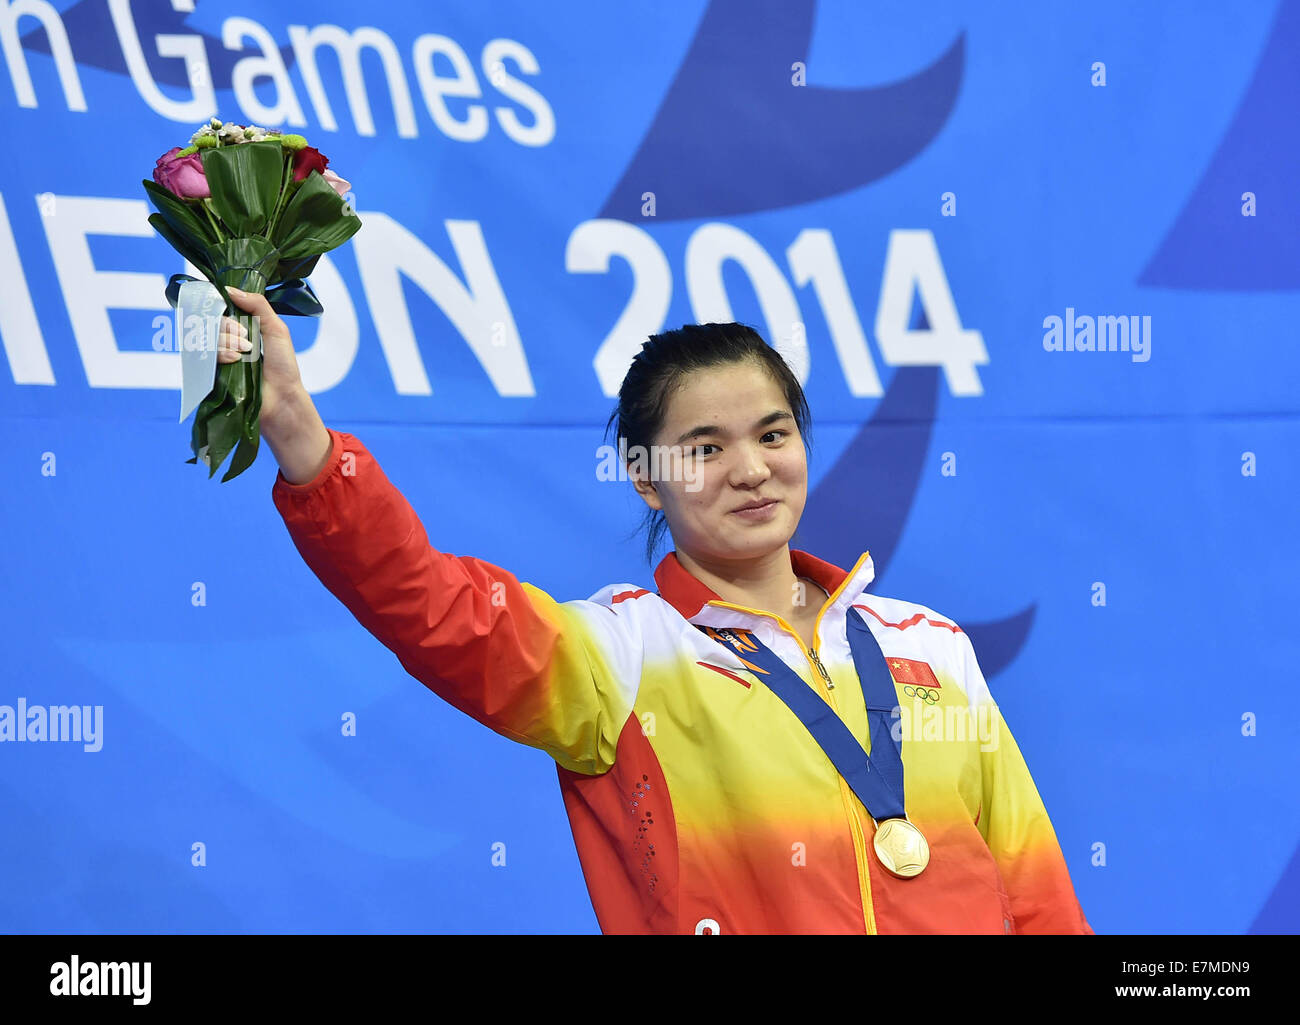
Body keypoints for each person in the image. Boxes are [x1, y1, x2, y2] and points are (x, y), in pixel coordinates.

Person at [218, 288, 1094, 935]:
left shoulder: (933, 648)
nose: (749, 468)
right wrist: (301, 435)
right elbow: (434, 607)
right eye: (703, 448)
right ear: (645, 475)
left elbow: (1037, 893)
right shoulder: (624, 654)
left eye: (772, 433)